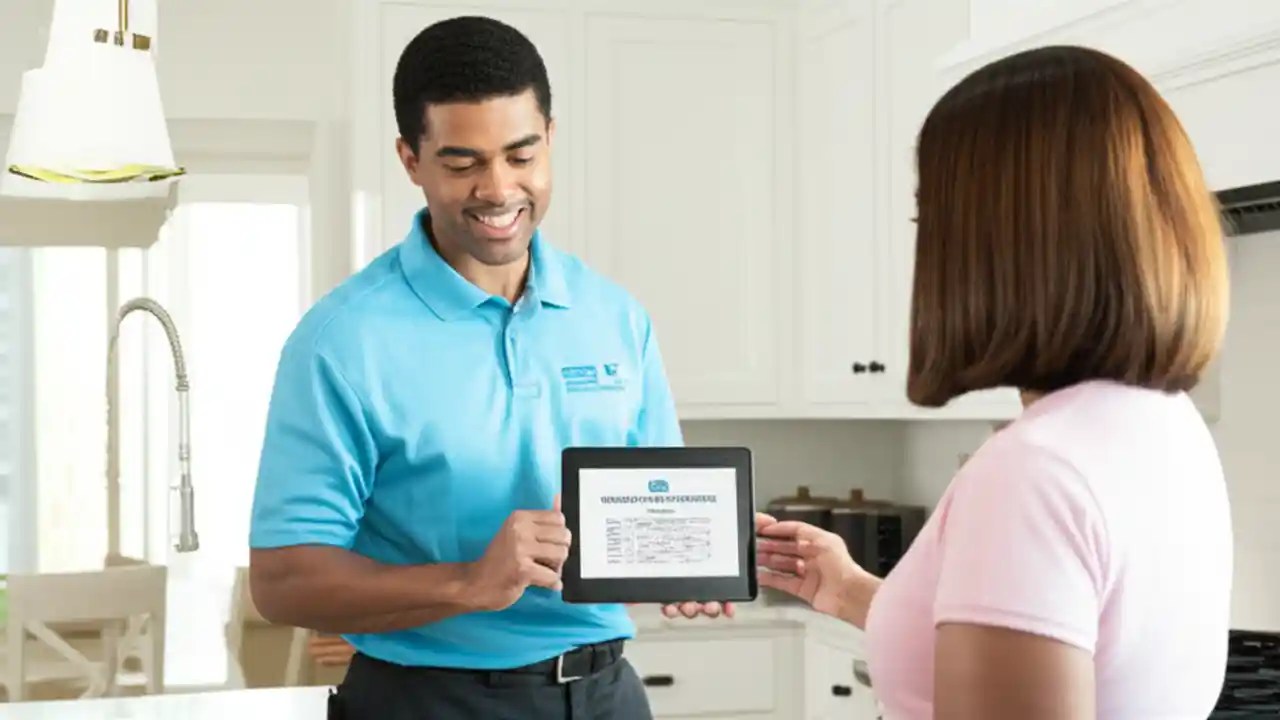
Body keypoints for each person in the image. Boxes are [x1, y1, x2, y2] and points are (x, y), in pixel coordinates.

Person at [679, 45, 1234, 719]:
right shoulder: (1165, 423)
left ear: (997, 240)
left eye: (930, 219)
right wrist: (852, 591)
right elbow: (1038, 638)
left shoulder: (1033, 472)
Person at [247, 15, 692, 719]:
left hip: (610, 695)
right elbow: (281, 582)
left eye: (522, 155)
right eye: (462, 163)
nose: (498, 189)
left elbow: (651, 506)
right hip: (429, 701)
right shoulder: (341, 341)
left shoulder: (614, 316)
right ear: (410, 159)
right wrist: (468, 583)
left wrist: (692, 560)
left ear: (551, 138)